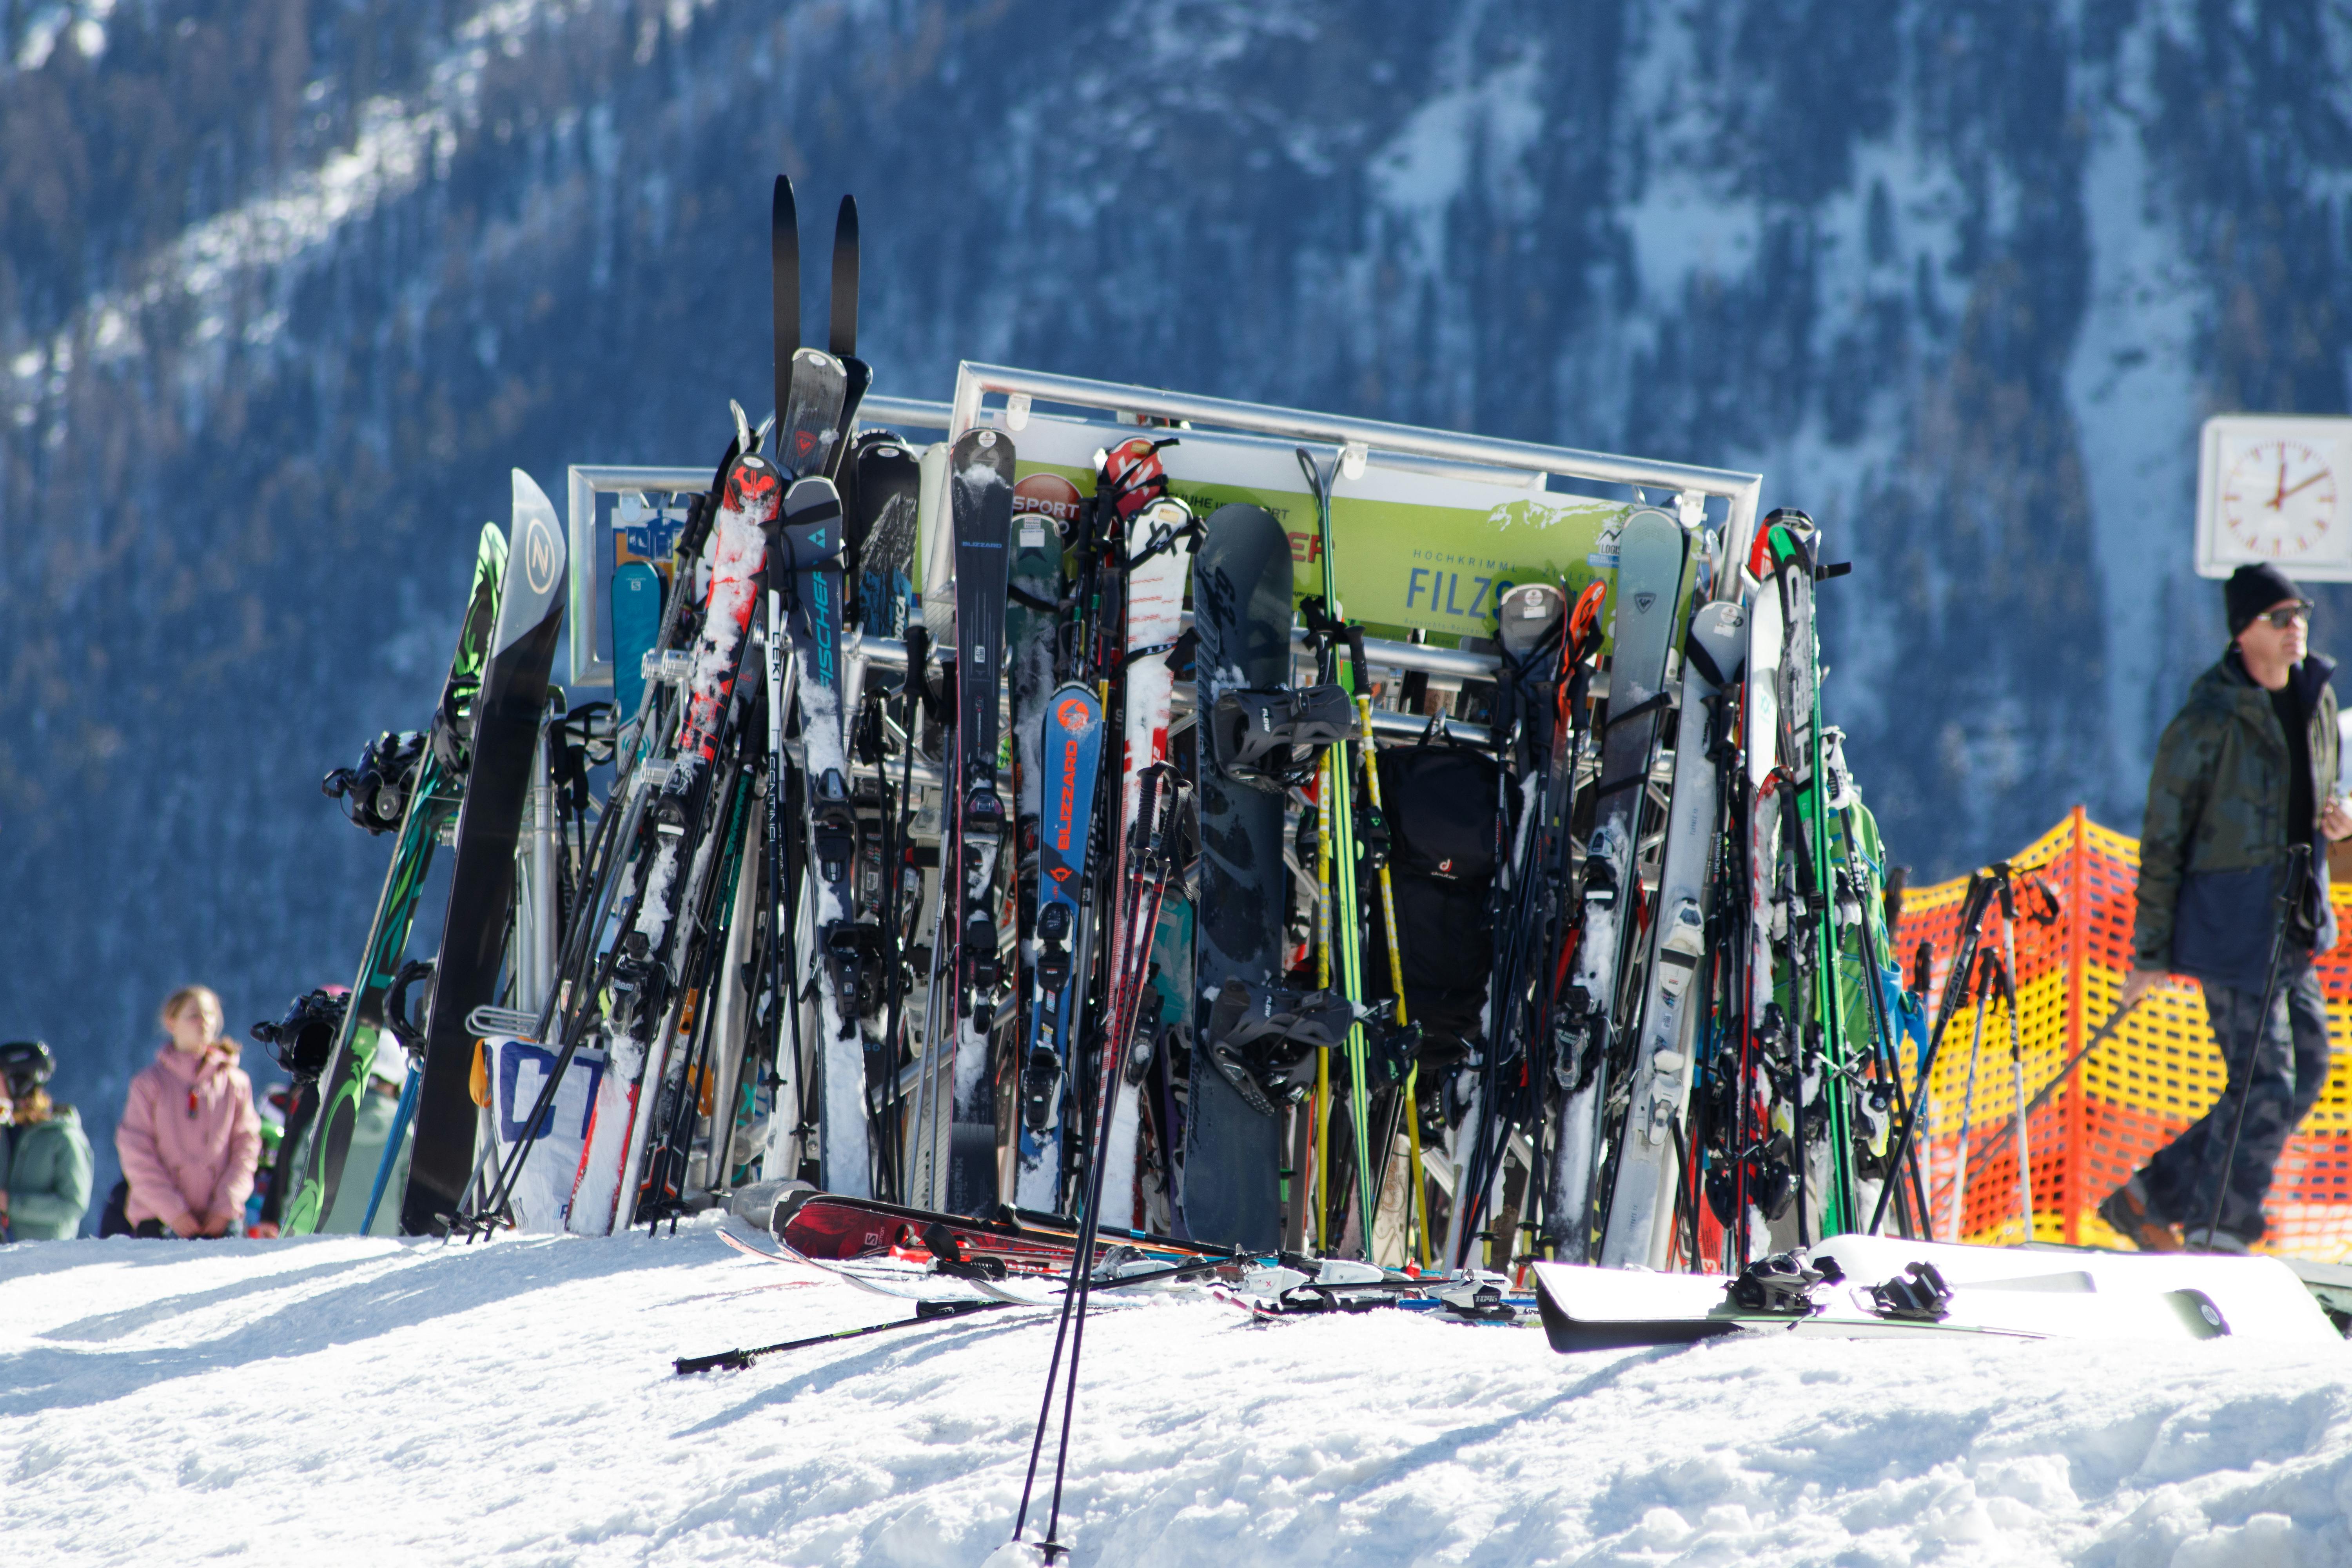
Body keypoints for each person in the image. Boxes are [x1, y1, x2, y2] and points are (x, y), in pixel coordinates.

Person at [2103, 563, 2352, 1252]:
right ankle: (2222, 1232)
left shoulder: (2317, 698)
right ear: (2243, 632)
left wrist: (2342, 822)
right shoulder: (2207, 718)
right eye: (2278, 617)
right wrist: (2150, 954)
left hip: (2297, 924)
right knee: (2266, 1081)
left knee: (2307, 1074)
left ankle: (2148, 1197)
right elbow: (2163, 840)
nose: (2296, 625)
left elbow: (2327, 795)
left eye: (2299, 612)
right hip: (2232, 928)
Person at [113, 985, 261, 1239]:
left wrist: (225, 1206)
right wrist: (173, 1211)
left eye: (210, 1014)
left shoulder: (236, 1083)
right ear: (171, 1023)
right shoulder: (148, 1084)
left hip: (221, 1224)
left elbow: (246, 1148)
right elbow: (135, 1152)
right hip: (157, 1222)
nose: (203, 1022)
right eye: (193, 1015)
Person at [2, 1040, 94, 1240]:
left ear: (17, 1084)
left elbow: (73, 1205)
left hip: (45, 1264)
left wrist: (10, 1204)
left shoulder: (64, 1137)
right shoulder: (3, 1132)